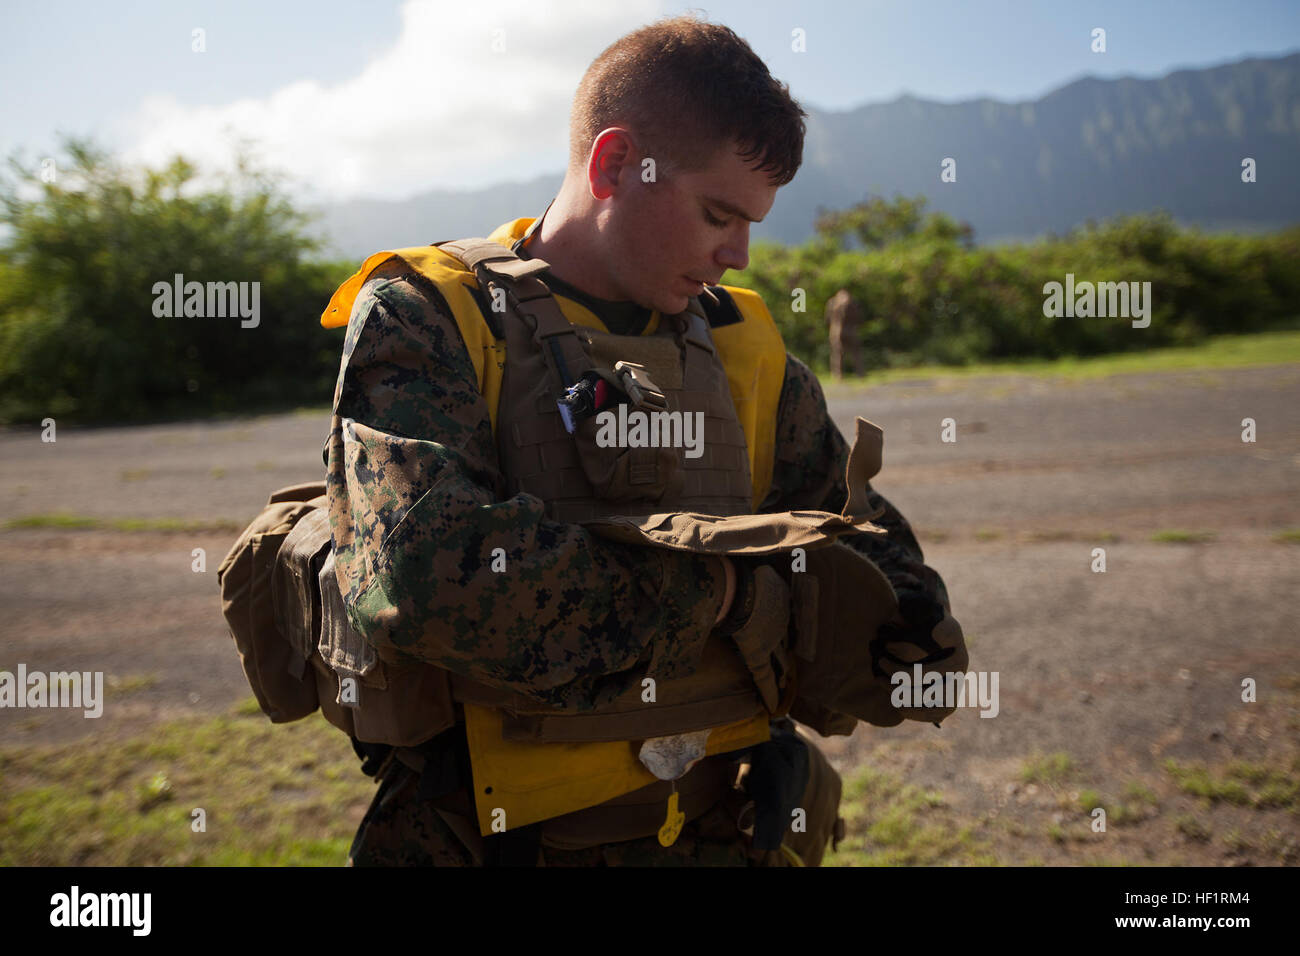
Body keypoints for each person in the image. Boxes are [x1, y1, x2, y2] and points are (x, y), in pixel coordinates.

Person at [318, 14, 959, 867]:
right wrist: (733, 599)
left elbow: (858, 528)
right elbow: (431, 580)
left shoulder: (745, 343)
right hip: (487, 841)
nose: (737, 252)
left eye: (753, 223)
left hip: (716, 827)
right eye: (717, 213)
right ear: (616, 162)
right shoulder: (430, 316)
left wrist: (909, 622)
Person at [826, 288, 864, 380]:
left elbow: (827, 318)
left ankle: (837, 375)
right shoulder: (853, 303)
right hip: (851, 330)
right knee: (856, 353)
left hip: (836, 331)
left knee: (837, 354)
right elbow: (858, 317)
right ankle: (860, 373)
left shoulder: (832, 303)